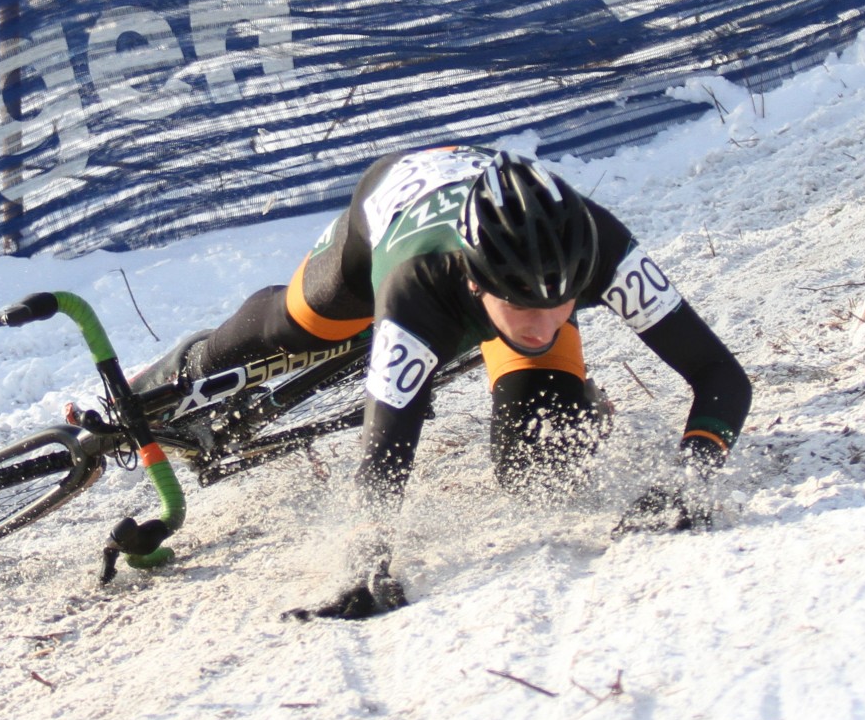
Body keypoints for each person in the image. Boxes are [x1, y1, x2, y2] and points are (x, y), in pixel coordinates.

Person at [134, 146, 752, 620]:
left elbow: (721, 374)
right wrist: (365, 566)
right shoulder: (419, 289)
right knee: (299, 323)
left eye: (561, 302)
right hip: (390, 213)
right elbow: (386, 449)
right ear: (478, 284)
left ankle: (581, 400)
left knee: (541, 471)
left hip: (494, 249)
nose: (542, 322)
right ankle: (182, 366)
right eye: (521, 305)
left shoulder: (597, 250)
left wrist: (689, 477)